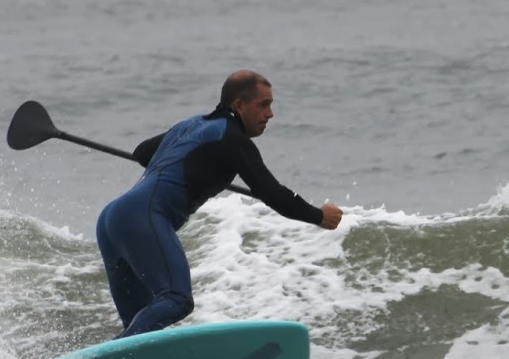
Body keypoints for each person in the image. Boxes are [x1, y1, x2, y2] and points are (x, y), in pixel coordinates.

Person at [95, 70, 343, 338]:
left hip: (112, 219)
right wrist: (318, 216)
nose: (270, 113)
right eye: (263, 105)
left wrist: (205, 169)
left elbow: (142, 152)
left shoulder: (190, 125)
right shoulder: (231, 138)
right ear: (239, 105)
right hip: (142, 217)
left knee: (138, 332)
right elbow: (272, 193)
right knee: (176, 299)